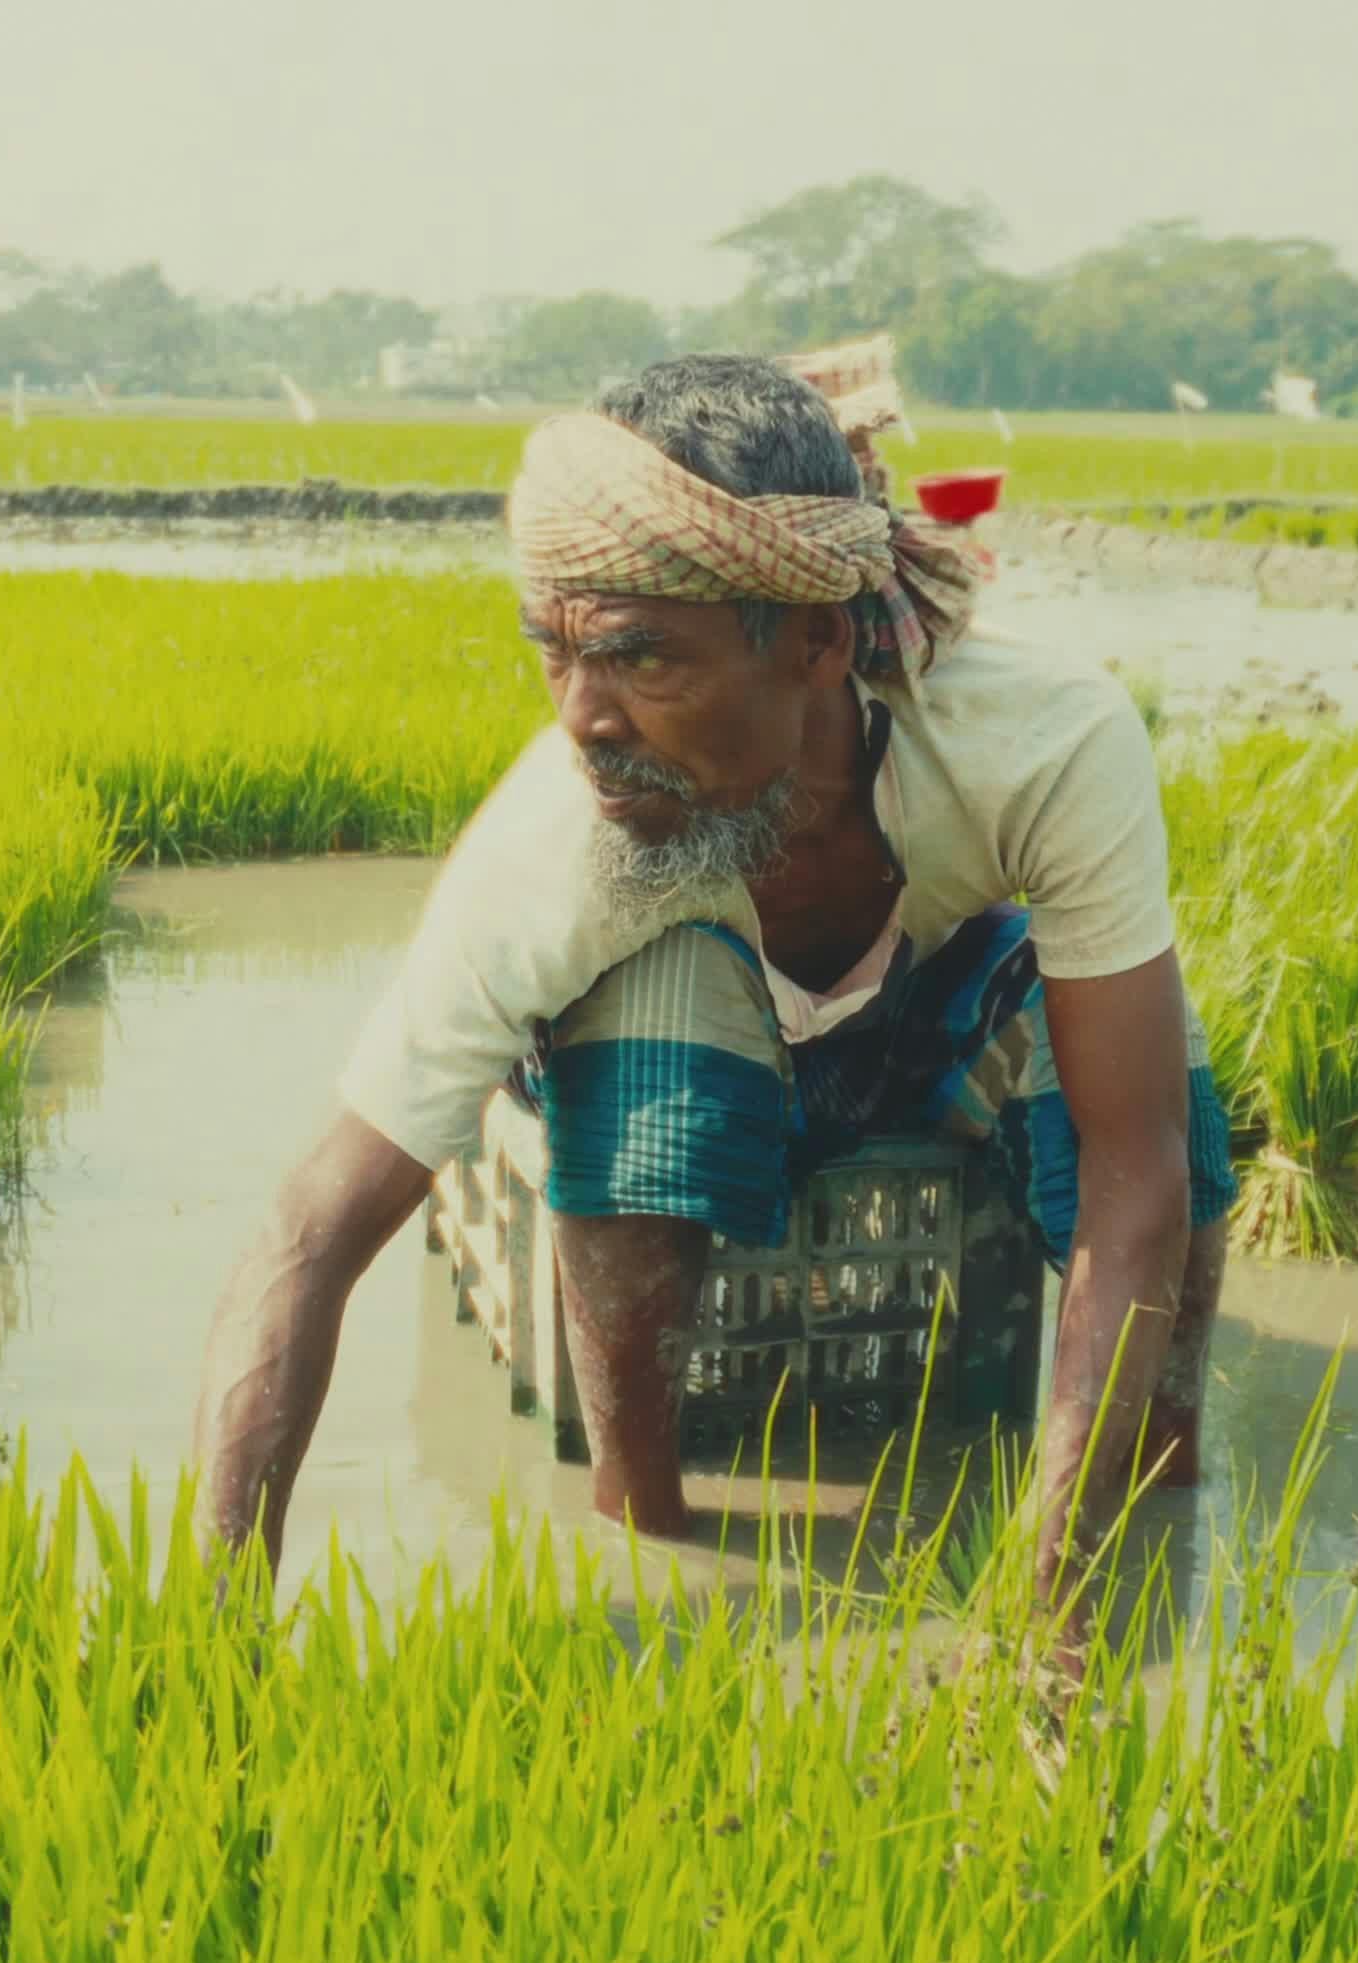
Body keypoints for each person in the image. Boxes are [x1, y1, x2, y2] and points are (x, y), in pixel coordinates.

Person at [189, 353, 1237, 1642]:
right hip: (709, 1054)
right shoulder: (557, 847)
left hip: (931, 1029)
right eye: (558, 655)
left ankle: (1146, 1499)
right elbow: (310, 1232)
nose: (585, 718)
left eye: (642, 661)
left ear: (816, 643)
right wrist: (214, 1622)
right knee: (652, 976)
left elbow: (1137, 1162)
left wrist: (1055, 1620)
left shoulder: (1045, 744)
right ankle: (650, 1523)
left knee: (1157, 1048)